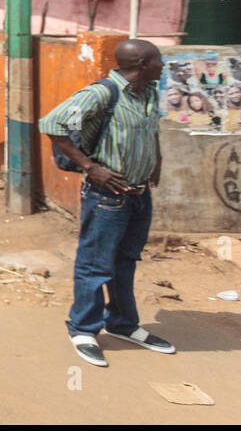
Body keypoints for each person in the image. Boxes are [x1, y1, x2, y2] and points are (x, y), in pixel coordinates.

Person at [39, 39, 172, 369]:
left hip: (139, 195)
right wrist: (90, 167)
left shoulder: (149, 93)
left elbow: (150, 129)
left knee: (126, 260)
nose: (163, 64)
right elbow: (51, 123)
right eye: (158, 59)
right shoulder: (103, 92)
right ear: (141, 63)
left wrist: (156, 160)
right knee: (95, 264)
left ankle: (123, 324)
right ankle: (84, 329)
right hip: (107, 198)